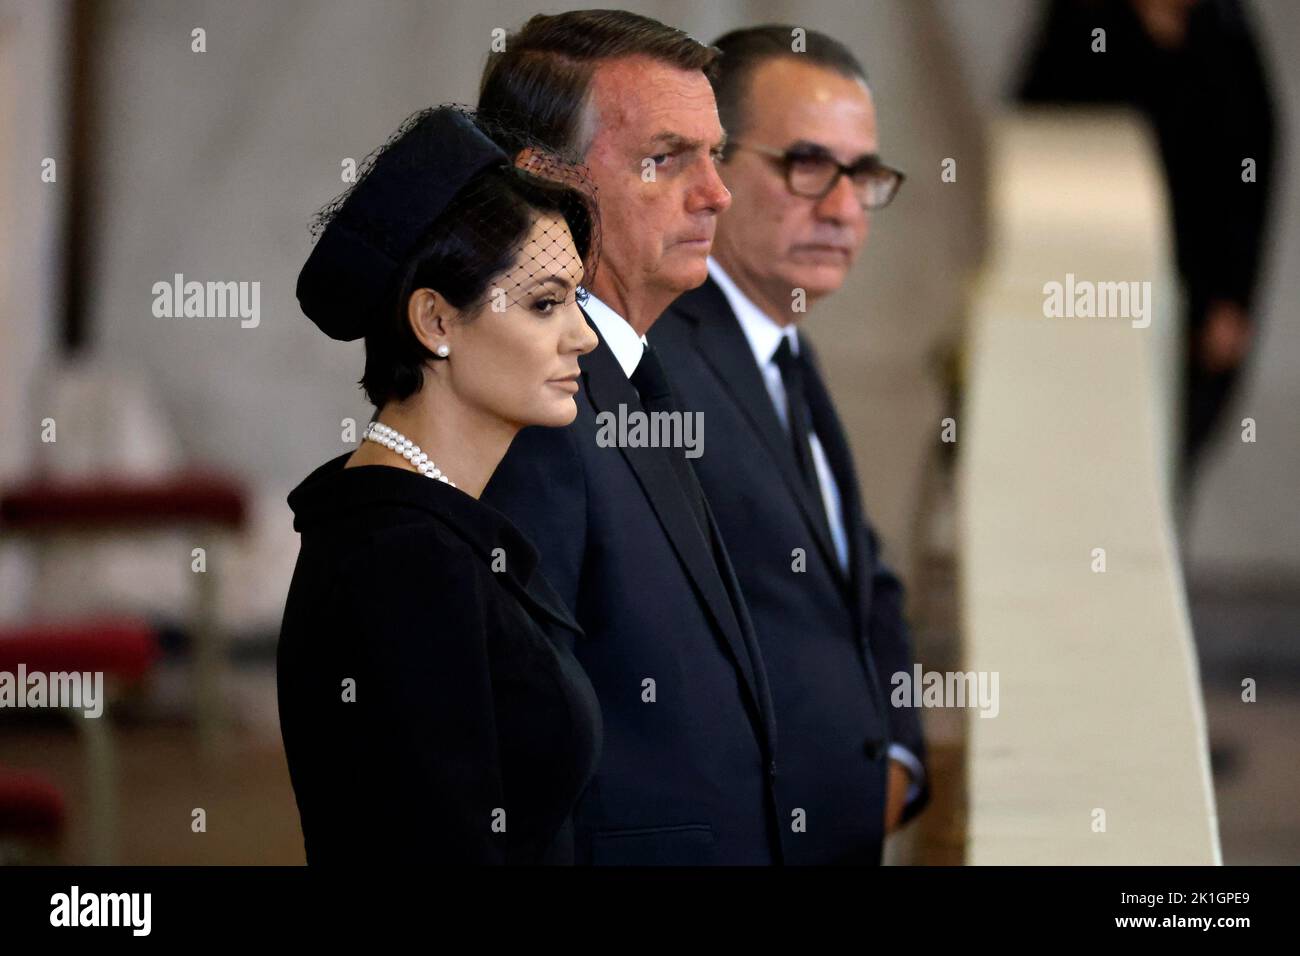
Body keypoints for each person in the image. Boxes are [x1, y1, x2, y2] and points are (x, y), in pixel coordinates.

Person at [477, 11, 787, 864]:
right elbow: (520, 756)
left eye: (715, 153)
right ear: (546, 180)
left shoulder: (637, 371)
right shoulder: (540, 404)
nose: (716, 192)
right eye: (667, 158)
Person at [277, 105, 602, 864]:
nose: (582, 335)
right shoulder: (406, 559)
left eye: (578, 301)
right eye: (546, 303)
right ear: (435, 322)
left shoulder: (409, 526)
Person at [652, 26, 929, 864]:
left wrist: (898, 763)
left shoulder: (785, 344)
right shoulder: (648, 363)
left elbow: (863, 586)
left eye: (865, 175)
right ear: (713, 167)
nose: (844, 208)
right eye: (808, 165)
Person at [1018, 0, 1278, 478]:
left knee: (1169, 450)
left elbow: (1254, 172)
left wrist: (1234, 296)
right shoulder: (1084, 20)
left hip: (1197, 282)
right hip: (1090, 272)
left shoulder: (1226, 30)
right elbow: (1037, 131)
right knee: (1082, 441)